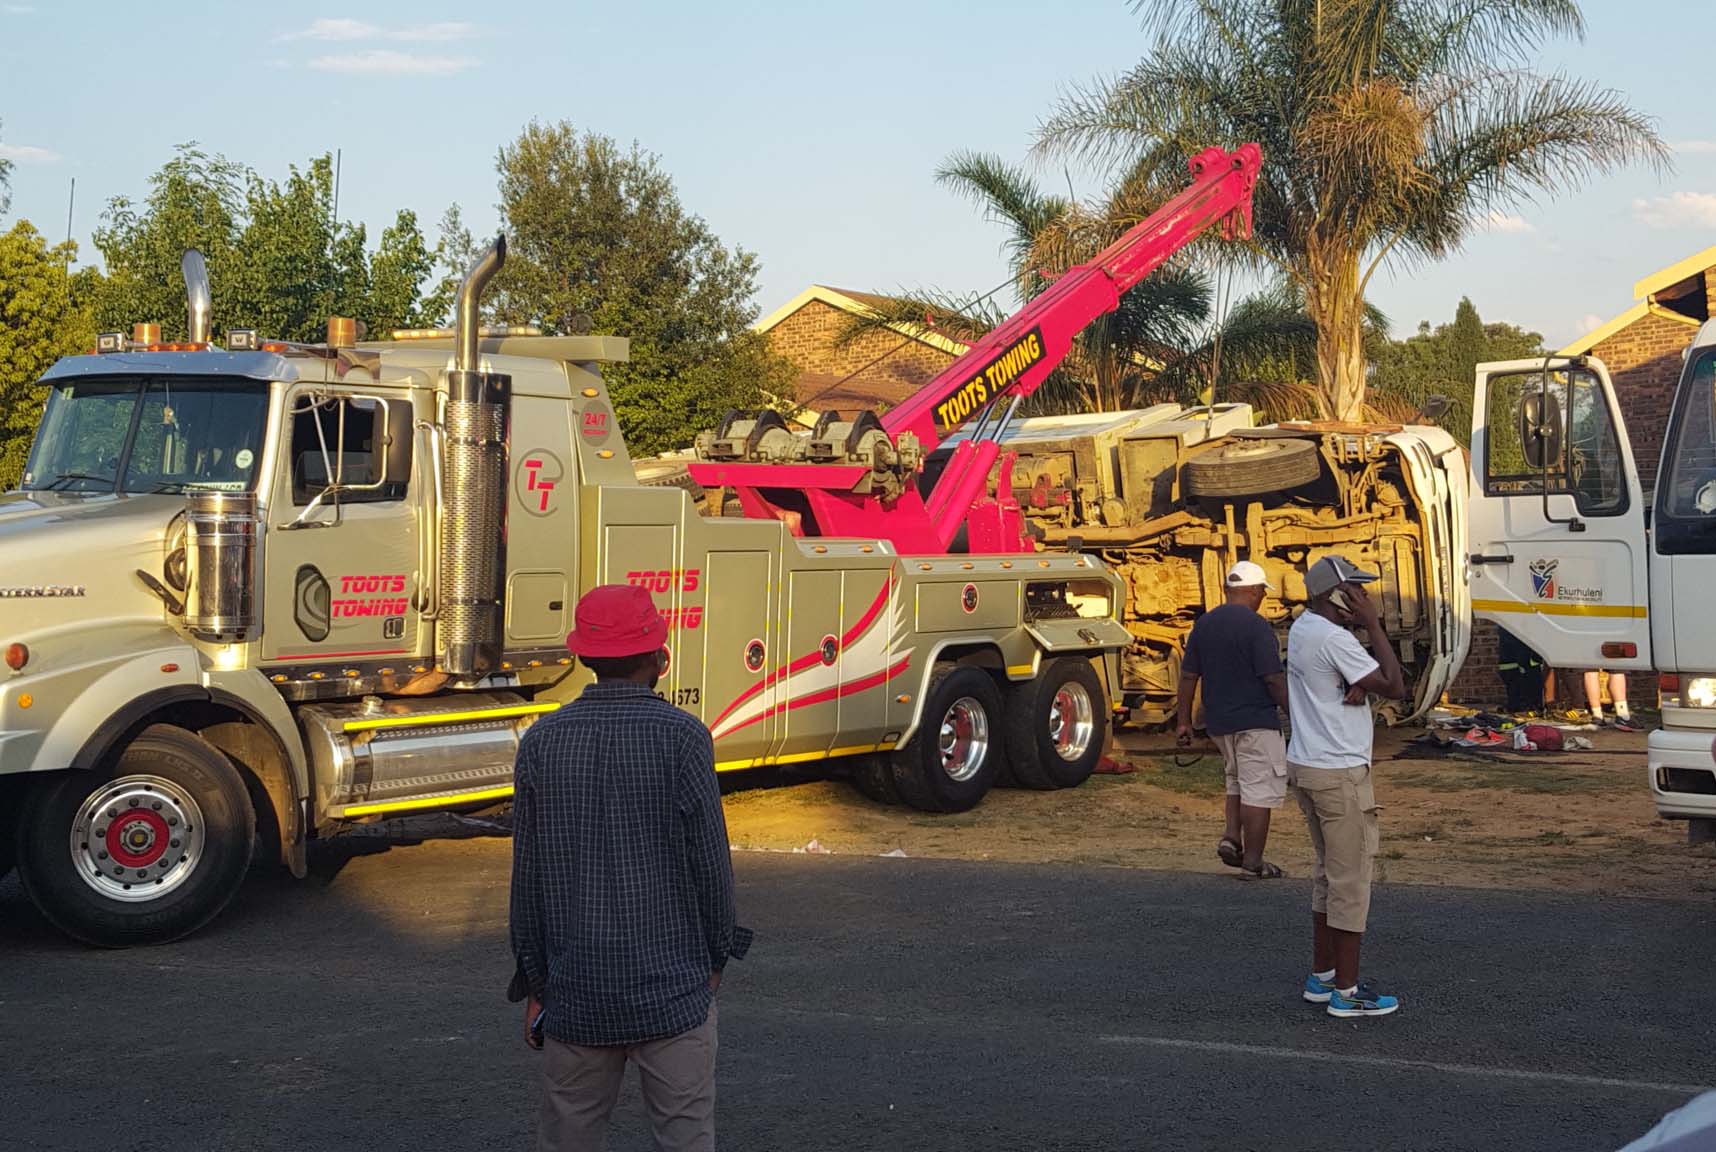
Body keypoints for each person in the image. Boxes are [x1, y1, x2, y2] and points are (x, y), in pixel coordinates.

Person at [510, 583, 752, 1152]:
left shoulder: (541, 743)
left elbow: (529, 882)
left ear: (585, 656)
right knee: (686, 1138)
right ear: (658, 657)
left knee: (568, 1136)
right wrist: (715, 960)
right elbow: (712, 868)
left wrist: (536, 984)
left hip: (576, 996)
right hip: (673, 995)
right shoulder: (685, 739)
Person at [1286, 555, 1407, 1019]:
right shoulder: (1336, 638)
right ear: (1335, 594)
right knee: (1351, 881)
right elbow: (1394, 683)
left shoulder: (1304, 629)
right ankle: (1348, 991)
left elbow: (1346, 678)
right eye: (1354, 589)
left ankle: (1323, 976)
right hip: (1340, 773)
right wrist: (1374, 626)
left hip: (1308, 764)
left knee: (1327, 875)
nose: (1363, 596)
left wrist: (1359, 682)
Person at [1175, 560, 1289, 879]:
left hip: (1220, 723)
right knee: (1259, 790)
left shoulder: (1205, 624)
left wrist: (1183, 721)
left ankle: (1231, 837)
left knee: (1236, 781)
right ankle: (1253, 862)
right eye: (1262, 593)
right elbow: (1272, 679)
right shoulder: (1257, 627)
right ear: (1253, 591)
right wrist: (1296, 714)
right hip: (1256, 721)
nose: (1262, 599)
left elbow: (1188, 676)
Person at [1496, 628, 1549, 715]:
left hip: (1525, 631)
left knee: (1529, 669)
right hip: (1510, 628)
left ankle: (1533, 706)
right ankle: (1516, 705)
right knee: (1509, 668)